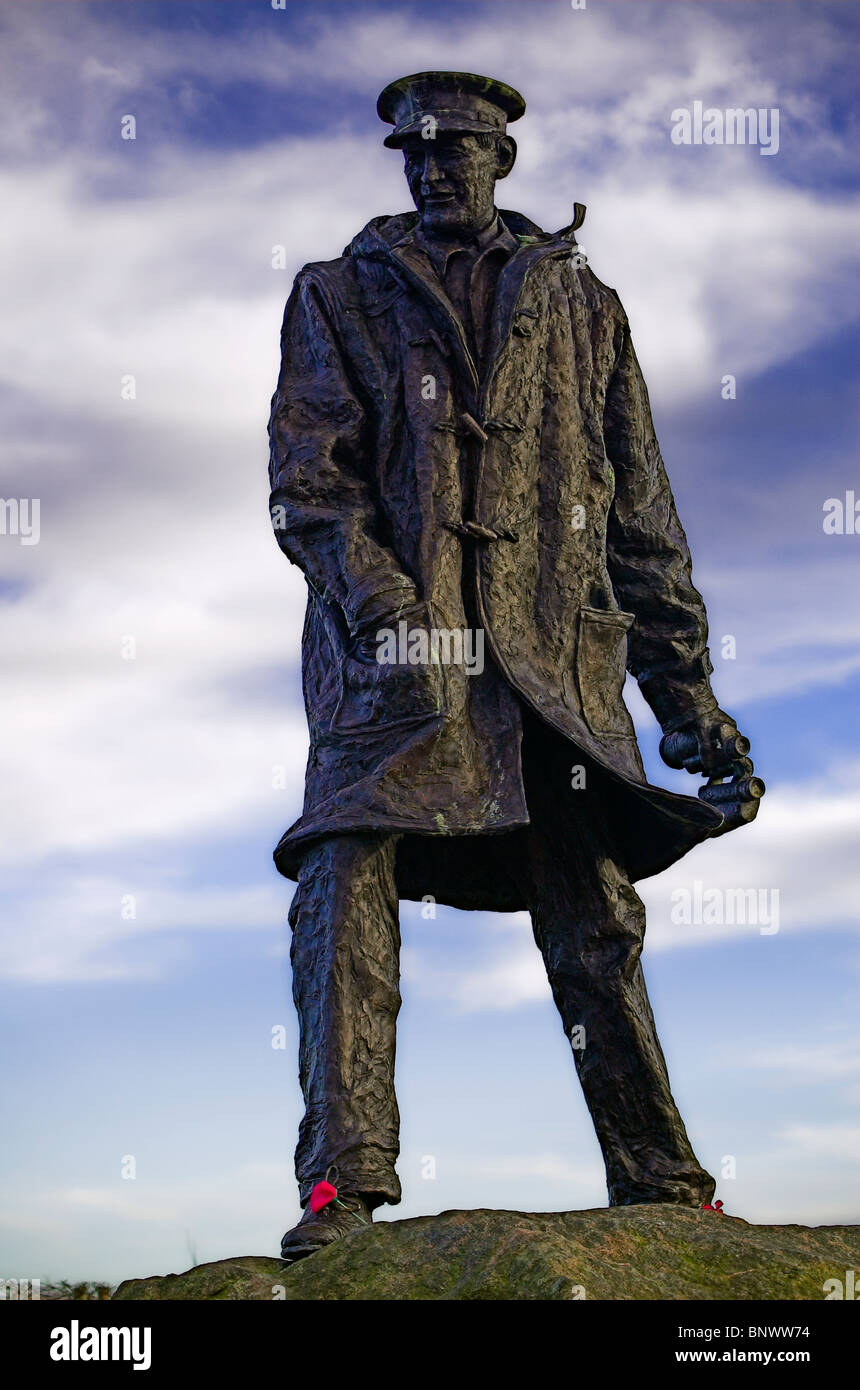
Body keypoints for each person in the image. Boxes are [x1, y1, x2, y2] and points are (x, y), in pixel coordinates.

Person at [268, 71, 750, 1260]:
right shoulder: (336, 296)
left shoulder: (587, 309)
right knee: (342, 882)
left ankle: (661, 1180)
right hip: (395, 669)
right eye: (415, 152)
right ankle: (342, 1186)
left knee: (592, 915)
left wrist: (691, 713)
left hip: (551, 663)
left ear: (500, 161)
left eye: (457, 150)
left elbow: (641, 521)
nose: (434, 168)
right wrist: (384, 603)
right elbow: (310, 484)